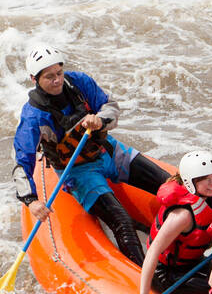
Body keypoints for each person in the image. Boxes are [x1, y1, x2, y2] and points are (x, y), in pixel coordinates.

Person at [12, 45, 169, 266]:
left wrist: (101, 119)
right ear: (34, 79)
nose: (56, 80)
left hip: (108, 151)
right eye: (49, 77)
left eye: (59, 73)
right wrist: (31, 201)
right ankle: (147, 277)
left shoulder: (79, 83)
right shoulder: (33, 117)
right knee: (121, 222)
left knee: (169, 186)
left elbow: (110, 106)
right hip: (78, 171)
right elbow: (21, 163)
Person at [139, 151, 212, 294]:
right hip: (166, 275)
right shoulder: (182, 215)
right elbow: (153, 251)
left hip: (193, 263)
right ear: (190, 182)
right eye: (205, 179)